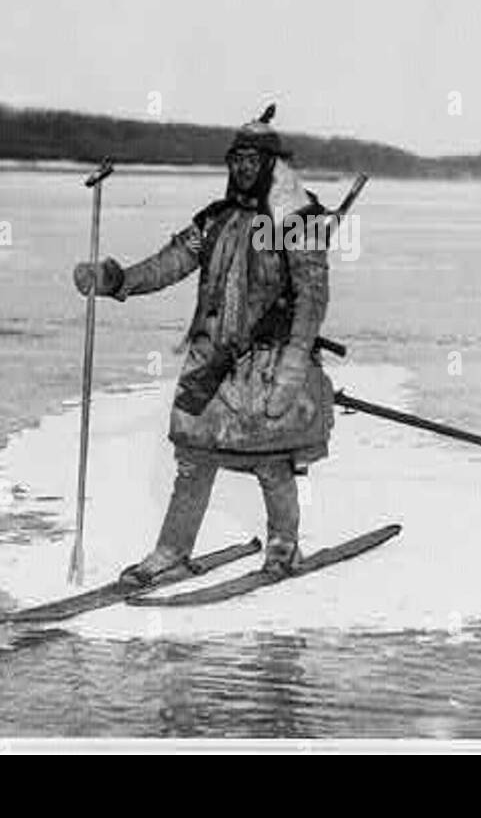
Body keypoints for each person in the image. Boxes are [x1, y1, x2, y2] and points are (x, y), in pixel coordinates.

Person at [74, 106, 334, 586]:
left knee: (270, 461)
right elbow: (172, 261)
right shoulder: (217, 220)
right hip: (213, 360)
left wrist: (295, 362)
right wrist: (118, 280)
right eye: (235, 159)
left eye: (252, 160)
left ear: (272, 165)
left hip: (269, 361)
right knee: (194, 459)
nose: (241, 169)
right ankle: (172, 550)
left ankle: (283, 545)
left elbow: (312, 296)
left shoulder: (295, 219)